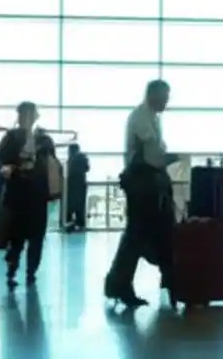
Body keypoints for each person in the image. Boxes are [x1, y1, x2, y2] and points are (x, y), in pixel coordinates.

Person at [105, 79, 176, 308]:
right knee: (136, 236)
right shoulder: (141, 118)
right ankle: (120, 284)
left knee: (141, 236)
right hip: (142, 185)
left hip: (147, 184)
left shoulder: (152, 118)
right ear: (152, 95)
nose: (167, 101)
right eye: (164, 96)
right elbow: (152, 154)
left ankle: (123, 284)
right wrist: (169, 159)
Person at [0, 101, 58, 290]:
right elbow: (3, 164)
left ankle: (28, 271)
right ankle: (15, 268)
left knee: (34, 236)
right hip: (22, 194)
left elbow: (49, 162)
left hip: (32, 194)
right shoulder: (12, 138)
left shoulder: (41, 139)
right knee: (19, 237)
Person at [65, 143, 91, 232]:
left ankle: (69, 224)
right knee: (80, 207)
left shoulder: (71, 159)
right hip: (81, 185)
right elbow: (87, 168)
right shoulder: (83, 158)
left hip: (71, 186)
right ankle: (80, 224)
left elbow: (68, 172)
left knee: (69, 207)